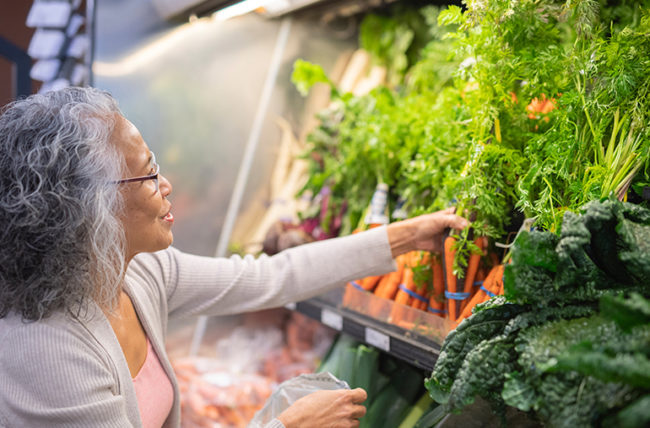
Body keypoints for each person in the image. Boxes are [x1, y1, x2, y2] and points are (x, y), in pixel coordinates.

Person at [0, 87, 468, 428]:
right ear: (92, 208)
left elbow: (269, 278)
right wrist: (287, 427)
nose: (166, 187)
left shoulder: (134, 272)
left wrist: (403, 237)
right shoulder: (46, 348)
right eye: (147, 175)